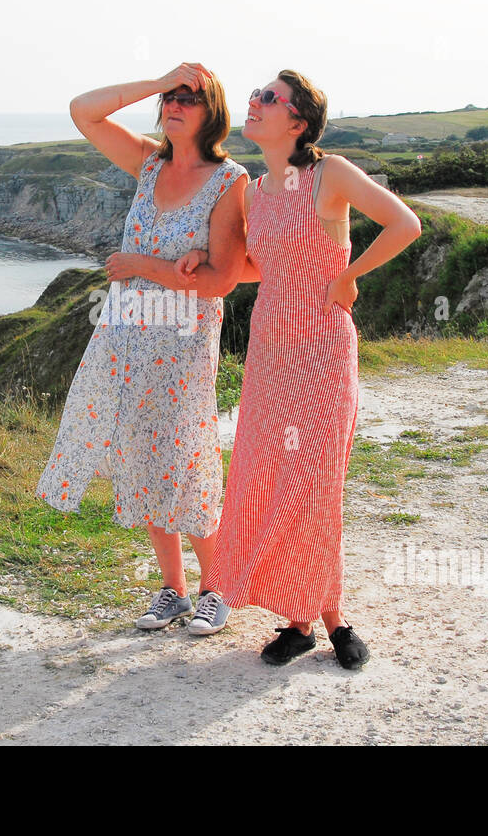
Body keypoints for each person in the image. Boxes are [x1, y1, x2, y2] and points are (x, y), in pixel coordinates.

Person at [183, 70, 421, 668]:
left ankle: (333, 620)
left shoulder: (329, 173)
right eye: (256, 95)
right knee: (269, 481)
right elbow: (256, 268)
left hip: (322, 348)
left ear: (298, 121)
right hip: (270, 352)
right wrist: (194, 262)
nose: (255, 102)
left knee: (315, 483)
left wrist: (348, 275)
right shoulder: (256, 189)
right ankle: (299, 622)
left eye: (269, 97)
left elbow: (404, 224)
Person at [34, 62, 249, 635]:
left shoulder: (230, 181)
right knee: (138, 451)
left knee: (186, 453)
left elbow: (224, 278)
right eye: (170, 97)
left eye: (190, 98)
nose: (176, 104)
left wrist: (142, 267)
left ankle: (217, 588)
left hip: (183, 339)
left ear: (214, 111)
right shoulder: (150, 162)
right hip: (126, 332)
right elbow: (84, 110)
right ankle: (173, 590)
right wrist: (157, 81)